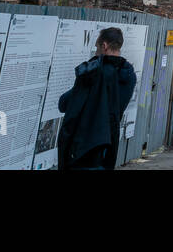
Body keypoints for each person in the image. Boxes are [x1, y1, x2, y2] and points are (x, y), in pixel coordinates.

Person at [56, 27, 136, 170]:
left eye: (97, 47)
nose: (96, 52)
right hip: (108, 143)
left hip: (84, 148)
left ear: (104, 46)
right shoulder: (129, 75)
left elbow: (64, 103)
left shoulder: (94, 73)